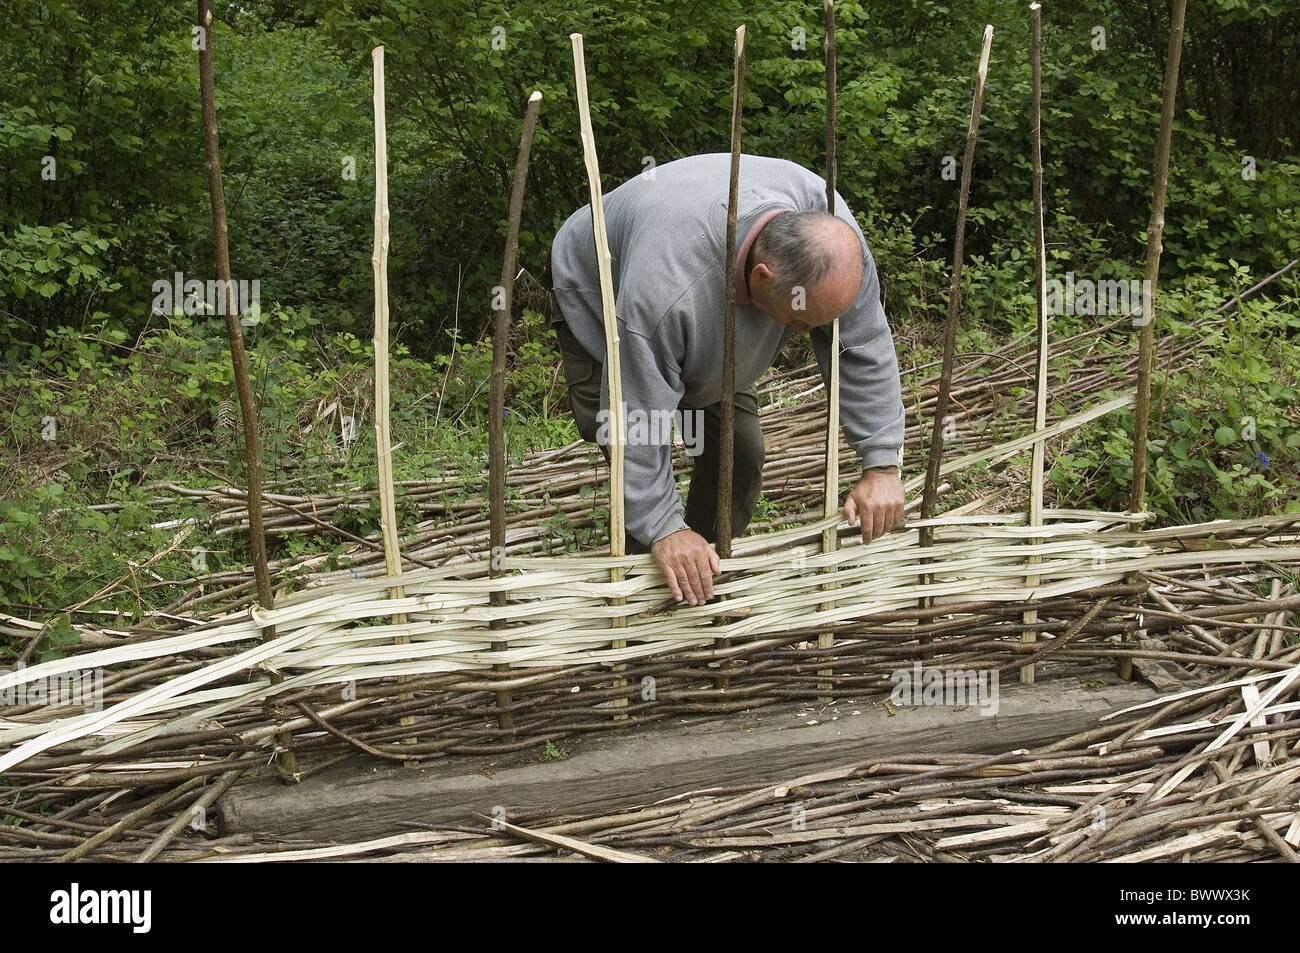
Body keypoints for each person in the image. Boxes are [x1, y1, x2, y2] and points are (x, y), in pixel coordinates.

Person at [545, 153, 906, 607]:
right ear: (761, 276)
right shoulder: (663, 294)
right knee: (637, 475)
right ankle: (646, 592)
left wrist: (881, 464)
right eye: (800, 321)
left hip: (702, 302)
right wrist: (663, 528)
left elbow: (862, 341)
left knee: (739, 453)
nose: (802, 334)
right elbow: (636, 420)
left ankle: (705, 573)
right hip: (601, 297)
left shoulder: (829, 232)